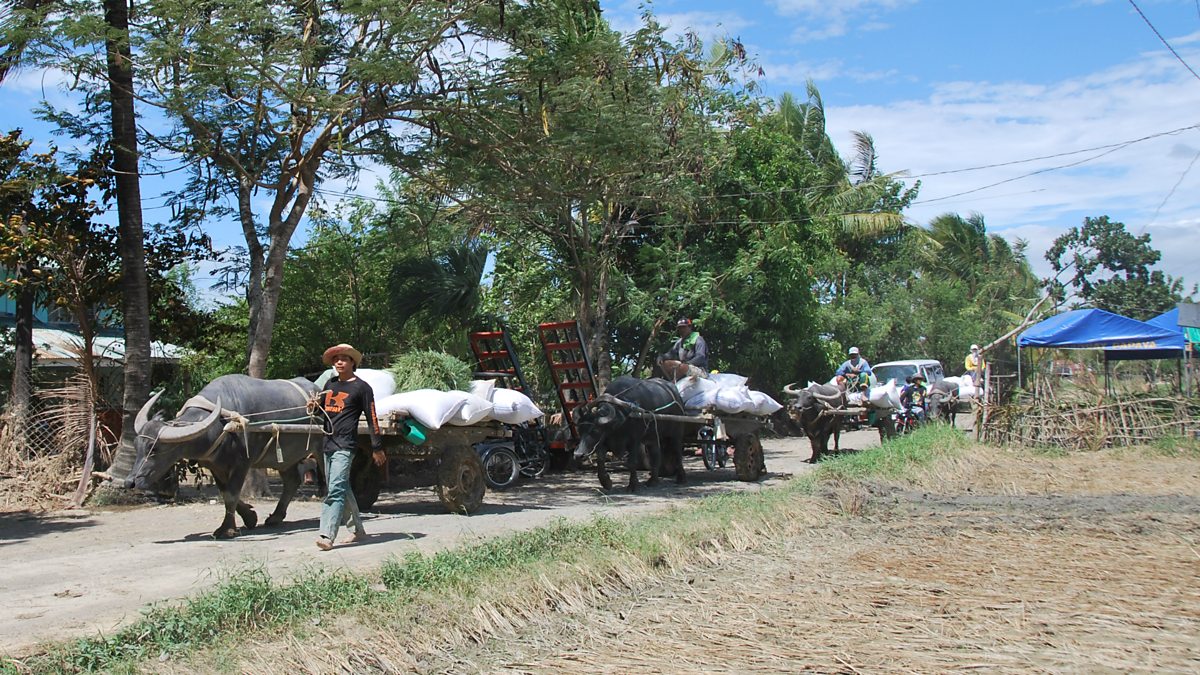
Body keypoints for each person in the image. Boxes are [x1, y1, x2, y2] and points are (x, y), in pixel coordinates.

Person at [307, 343, 384, 551]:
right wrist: (314, 408)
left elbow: (372, 418)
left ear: (353, 362)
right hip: (328, 443)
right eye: (336, 359)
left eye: (344, 358)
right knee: (342, 487)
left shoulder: (362, 388)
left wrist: (377, 447)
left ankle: (327, 534)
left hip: (345, 445)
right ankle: (358, 531)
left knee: (335, 490)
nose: (339, 362)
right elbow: (324, 414)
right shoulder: (330, 385)